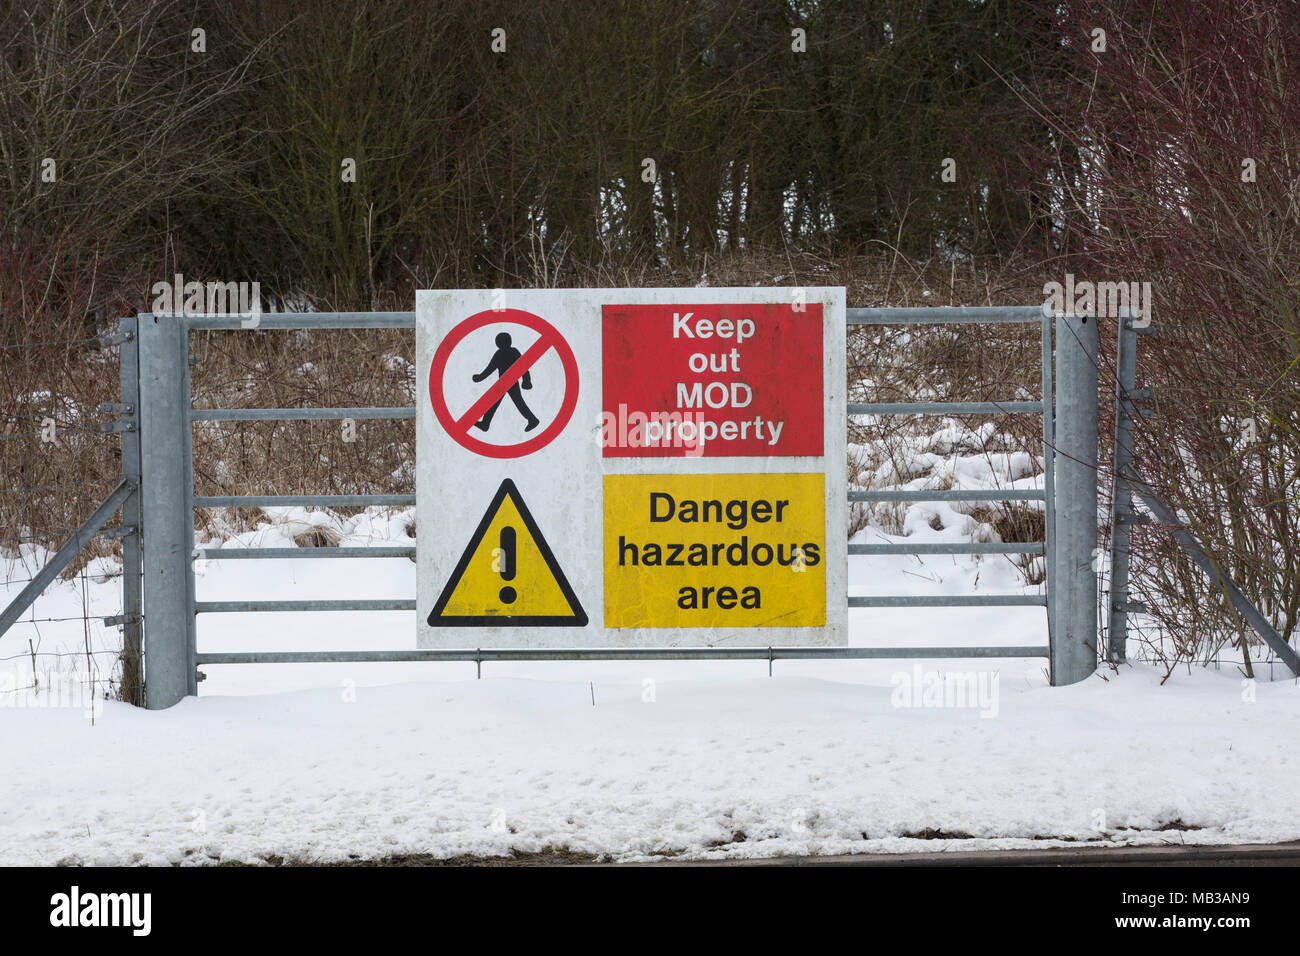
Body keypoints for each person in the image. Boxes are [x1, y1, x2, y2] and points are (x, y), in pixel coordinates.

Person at [472, 331, 541, 432]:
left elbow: (523, 366)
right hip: (505, 383)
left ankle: (532, 419)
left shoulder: (505, 353)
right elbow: (490, 368)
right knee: (507, 402)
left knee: (515, 402)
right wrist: (526, 381)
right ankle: (485, 423)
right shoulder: (510, 352)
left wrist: (526, 381)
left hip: (508, 382)